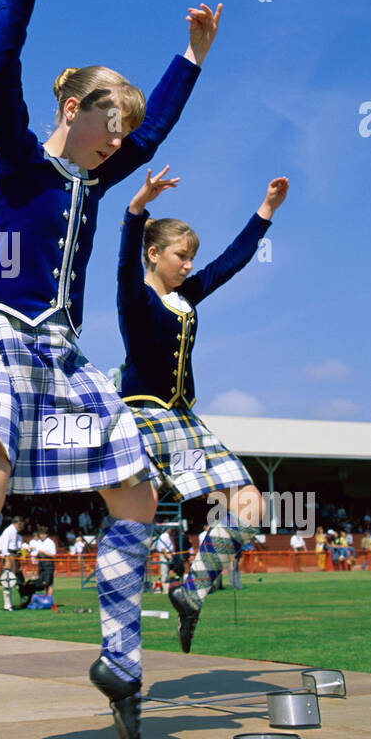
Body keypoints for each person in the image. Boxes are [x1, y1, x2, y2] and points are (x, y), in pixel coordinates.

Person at [0, 0, 220, 739]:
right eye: (107, 127)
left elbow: (150, 137)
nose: (119, 144)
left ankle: (120, 660)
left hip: (63, 358)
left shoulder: (97, 177)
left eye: (122, 134)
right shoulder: (19, 161)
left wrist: (188, 58)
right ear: (72, 113)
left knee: (137, 494)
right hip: (2, 341)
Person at [116, 169, 289, 653]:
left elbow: (230, 262)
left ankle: (190, 594)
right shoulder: (135, 299)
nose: (190, 265)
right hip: (144, 418)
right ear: (154, 254)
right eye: (180, 256)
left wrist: (266, 210)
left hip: (186, 421)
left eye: (192, 257)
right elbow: (124, 263)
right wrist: (136, 210)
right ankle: (120, 631)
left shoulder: (184, 297)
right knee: (138, 514)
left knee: (251, 506)